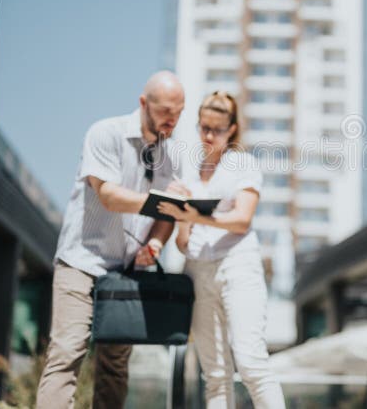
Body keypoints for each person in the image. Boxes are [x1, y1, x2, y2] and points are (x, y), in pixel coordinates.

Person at [36, 71, 185, 409]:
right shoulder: (105, 133)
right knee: (67, 354)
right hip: (81, 263)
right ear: (143, 103)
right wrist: (160, 198)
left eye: (179, 112)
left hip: (128, 272)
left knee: (115, 368)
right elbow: (109, 196)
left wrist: (158, 243)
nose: (172, 119)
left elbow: (166, 217)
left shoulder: (173, 155)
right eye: (164, 111)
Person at [158, 91, 285, 409]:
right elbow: (183, 242)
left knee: (251, 361)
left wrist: (196, 215)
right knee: (214, 373)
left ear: (232, 129)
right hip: (198, 270)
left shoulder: (242, 164)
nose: (209, 135)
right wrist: (181, 211)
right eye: (204, 128)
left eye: (216, 128)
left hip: (238, 265)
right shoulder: (190, 171)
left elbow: (241, 220)